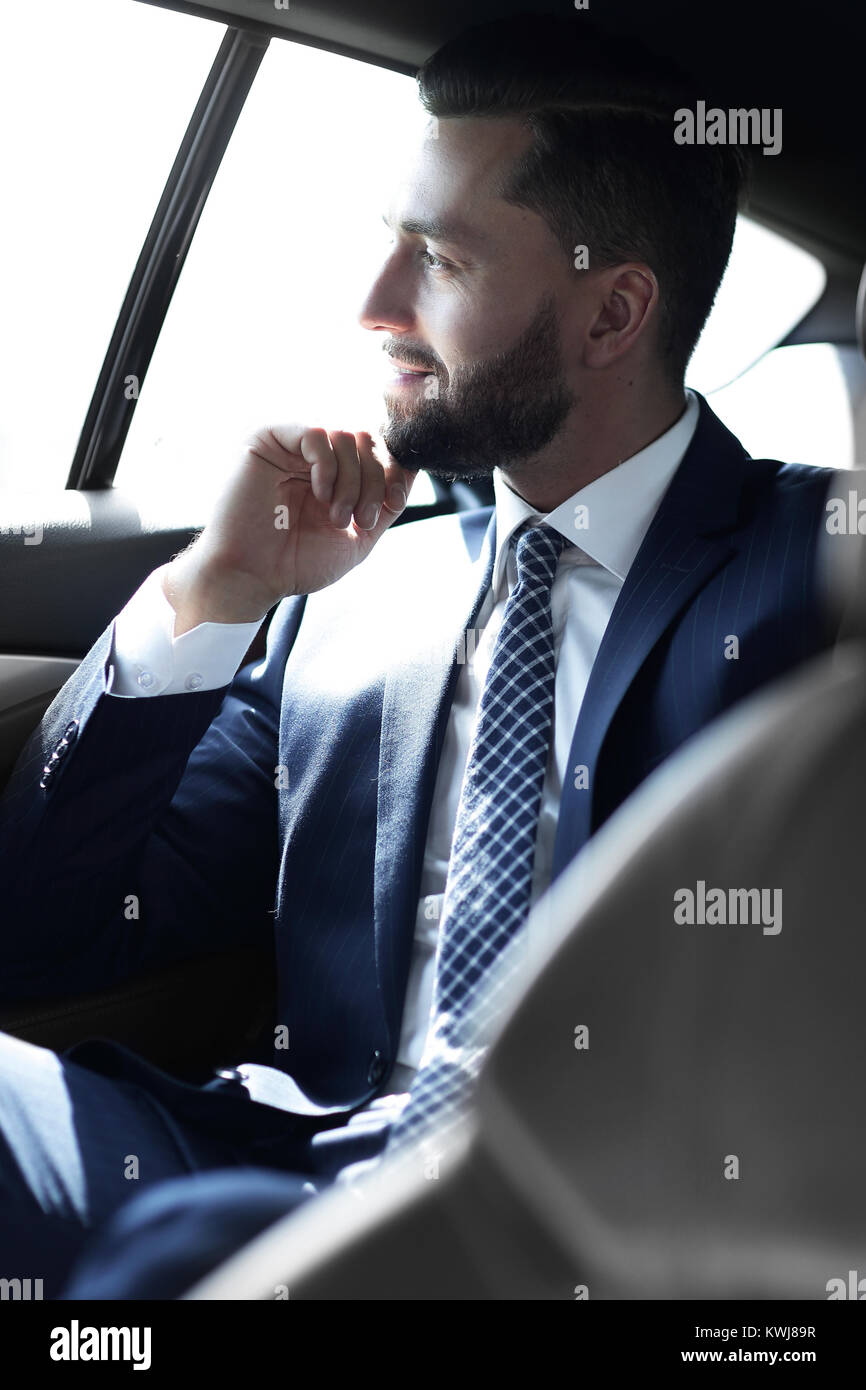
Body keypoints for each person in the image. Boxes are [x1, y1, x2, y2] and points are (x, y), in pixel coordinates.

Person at [0, 14, 837, 1297]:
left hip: (611, 1233)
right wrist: (212, 590)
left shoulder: (819, 567)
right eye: (390, 240)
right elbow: (47, 933)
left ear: (611, 311)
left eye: (436, 258)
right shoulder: (348, 593)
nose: (372, 305)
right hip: (293, 1159)